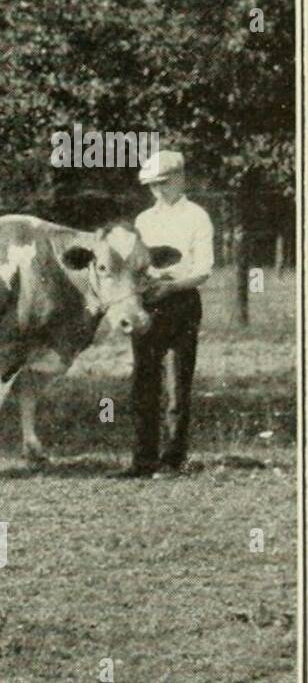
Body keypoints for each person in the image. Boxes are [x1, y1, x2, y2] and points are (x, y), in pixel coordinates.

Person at [116, 149, 214, 479]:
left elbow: (204, 269)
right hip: (149, 304)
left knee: (176, 385)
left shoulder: (197, 216)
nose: (157, 191)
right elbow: (137, 265)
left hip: (181, 302)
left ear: (179, 179)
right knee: (144, 381)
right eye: (152, 185)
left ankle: (172, 460)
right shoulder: (144, 221)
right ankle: (143, 460)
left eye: (163, 183)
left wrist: (171, 287)